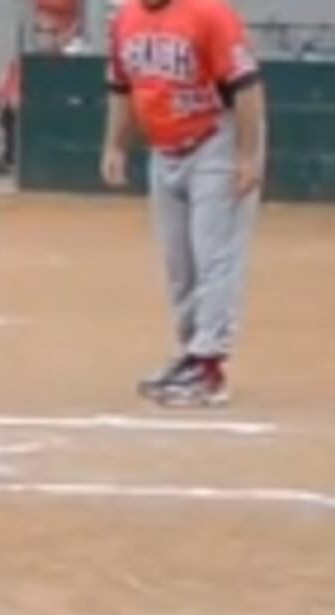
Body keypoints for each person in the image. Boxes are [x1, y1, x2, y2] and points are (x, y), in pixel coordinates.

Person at [101, 0, 265, 407]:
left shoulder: (210, 13)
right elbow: (122, 88)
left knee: (216, 255)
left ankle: (208, 364)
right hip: (165, 146)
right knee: (179, 263)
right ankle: (192, 351)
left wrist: (246, 156)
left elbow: (247, 88)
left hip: (217, 139)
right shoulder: (125, 19)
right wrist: (116, 145)